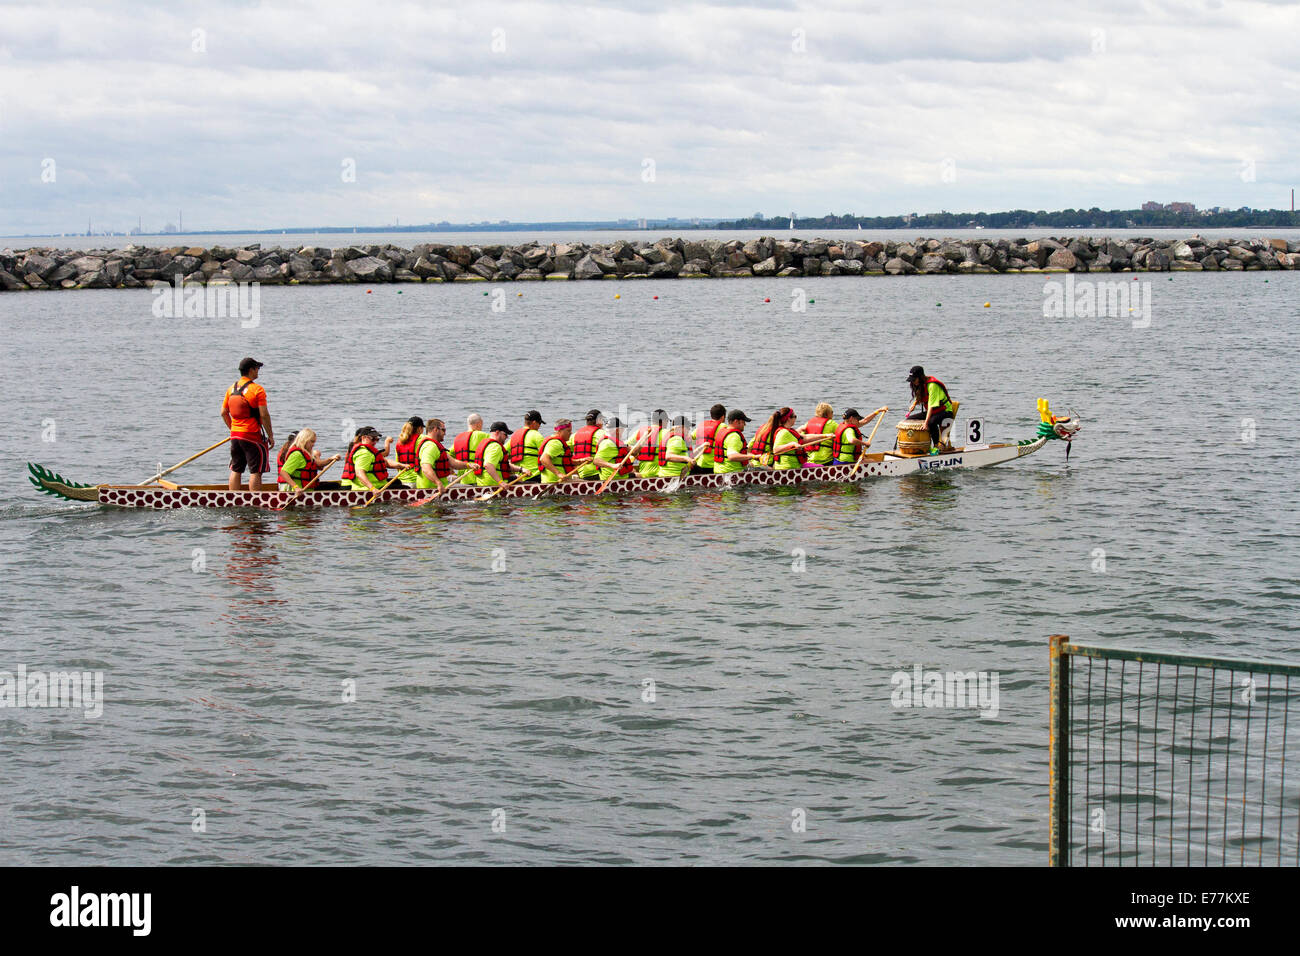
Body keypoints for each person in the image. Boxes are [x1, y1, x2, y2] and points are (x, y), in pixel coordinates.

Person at [221, 356, 274, 491]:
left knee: (236, 468)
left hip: (236, 436)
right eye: (257, 368)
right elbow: (264, 415)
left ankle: (232, 497)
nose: (258, 371)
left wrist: (233, 429)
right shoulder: (257, 390)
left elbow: (223, 413)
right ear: (251, 370)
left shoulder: (231, 389)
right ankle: (255, 500)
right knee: (256, 470)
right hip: (252, 435)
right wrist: (270, 436)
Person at [906, 365, 957, 452]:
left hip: (945, 411)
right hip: (934, 412)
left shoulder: (932, 385)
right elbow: (922, 397)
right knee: (910, 419)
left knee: (931, 422)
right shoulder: (921, 384)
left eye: (914, 379)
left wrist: (926, 423)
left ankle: (937, 446)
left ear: (920, 377)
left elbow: (931, 406)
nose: (913, 382)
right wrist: (914, 404)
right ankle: (920, 445)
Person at [415, 418, 470, 492]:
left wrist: (468, 465)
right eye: (443, 430)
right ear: (435, 429)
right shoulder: (430, 446)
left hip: (439, 488)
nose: (445, 433)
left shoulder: (436, 446)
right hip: (431, 490)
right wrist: (438, 483)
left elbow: (453, 463)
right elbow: (425, 468)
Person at [340, 426, 400, 491]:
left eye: (377, 439)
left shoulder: (357, 449)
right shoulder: (364, 452)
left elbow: (385, 462)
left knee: (396, 482)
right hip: (360, 487)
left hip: (355, 484)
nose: (375, 442)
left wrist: (402, 466)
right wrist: (373, 489)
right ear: (363, 438)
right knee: (400, 485)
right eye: (373, 439)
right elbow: (359, 473)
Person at [712, 410, 761, 474]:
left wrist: (753, 456)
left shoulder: (723, 431)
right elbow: (732, 456)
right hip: (732, 474)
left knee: (751, 465)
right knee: (767, 469)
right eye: (743, 422)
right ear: (736, 421)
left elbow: (733, 453)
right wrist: (753, 457)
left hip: (719, 471)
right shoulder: (734, 436)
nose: (745, 425)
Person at [468, 421, 513, 487]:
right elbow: (488, 465)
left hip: (481, 484)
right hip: (493, 485)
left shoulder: (487, 444)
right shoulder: (495, 446)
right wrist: (501, 482)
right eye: (505, 434)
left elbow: (505, 465)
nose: (507, 437)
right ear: (497, 432)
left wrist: (521, 469)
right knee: (519, 479)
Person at [507, 410, 547, 481]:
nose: (539, 426)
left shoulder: (514, 436)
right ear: (534, 423)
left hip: (519, 477)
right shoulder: (536, 435)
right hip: (535, 475)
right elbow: (548, 454)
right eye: (539, 423)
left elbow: (503, 453)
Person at [594, 417, 636, 482]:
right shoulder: (608, 444)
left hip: (620, 477)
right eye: (622, 429)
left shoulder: (614, 442)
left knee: (635, 473)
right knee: (640, 476)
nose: (623, 432)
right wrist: (612, 465)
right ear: (617, 430)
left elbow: (632, 450)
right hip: (614, 480)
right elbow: (596, 461)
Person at [630, 409, 670, 478]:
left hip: (642, 472)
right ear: (664, 421)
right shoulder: (668, 433)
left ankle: (633, 474)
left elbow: (624, 447)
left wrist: (635, 453)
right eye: (667, 421)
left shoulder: (639, 432)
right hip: (658, 475)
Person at [538, 419, 580, 483]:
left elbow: (564, 461)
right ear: (560, 431)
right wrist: (559, 474)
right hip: (554, 482)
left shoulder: (556, 441)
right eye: (568, 431)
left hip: (557, 481)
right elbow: (543, 459)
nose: (571, 433)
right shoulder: (556, 443)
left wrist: (581, 461)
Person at [691, 403, 726, 474]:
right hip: (713, 466)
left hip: (699, 464)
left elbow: (689, 438)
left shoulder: (701, 426)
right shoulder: (723, 426)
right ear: (723, 417)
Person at [572, 409, 607, 480]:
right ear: (599, 421)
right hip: (598, 474)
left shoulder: (574, 435)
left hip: (581, 474)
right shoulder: (602, 433)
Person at [452, 414, 489, 478]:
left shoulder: (459, 438)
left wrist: (452, 471)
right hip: (479, 477)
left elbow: (447, 456)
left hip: (463, 478)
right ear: (479, 423)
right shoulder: (485, 436)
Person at [392, 416, 425, 487]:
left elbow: (397, 464)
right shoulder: (422, 438)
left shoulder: (400, 441)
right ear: (420, 428)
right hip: (416, 480)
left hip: (401, 479)